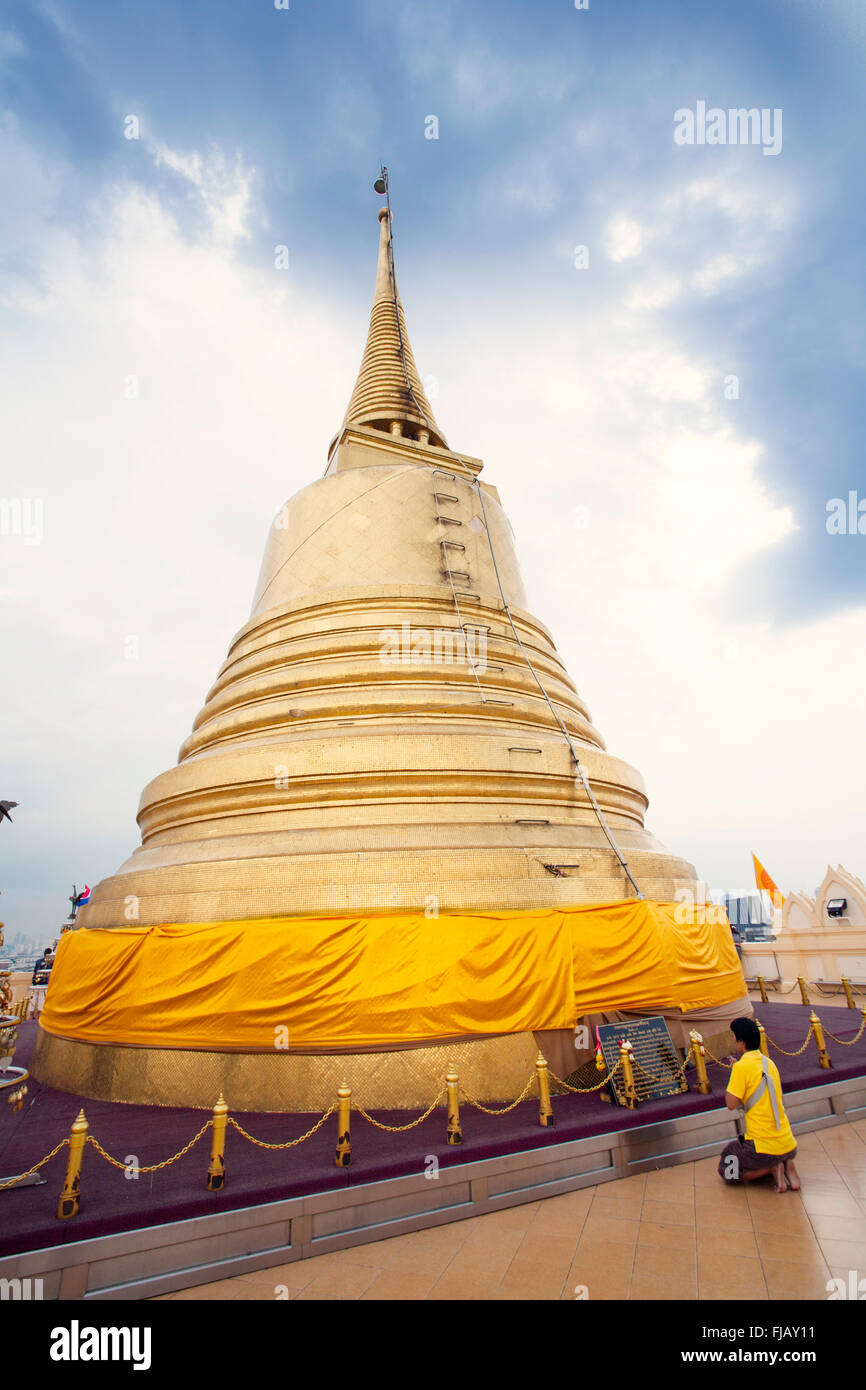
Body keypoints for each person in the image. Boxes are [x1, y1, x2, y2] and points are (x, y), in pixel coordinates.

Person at [718, 1016, 800, 1193]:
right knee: (773, 1150)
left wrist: (735, 1075)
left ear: (741, 1041)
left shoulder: (741, 1068)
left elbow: (731, 1103)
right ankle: (786, 1162)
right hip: (788, 1143)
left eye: (734, 1037)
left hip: (763, 1147)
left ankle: (772, 1168)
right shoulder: (769, 1063)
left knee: (727, 1166)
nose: (733, 1040)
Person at [29, 946, 55, 1022]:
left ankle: (32, 1017)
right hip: (43, 985)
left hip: (37, 984)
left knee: (35, 1001)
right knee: (40, 1001)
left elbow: (35, 972)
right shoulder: (50, 963)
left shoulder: (38, 962)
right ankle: (38, 1018)